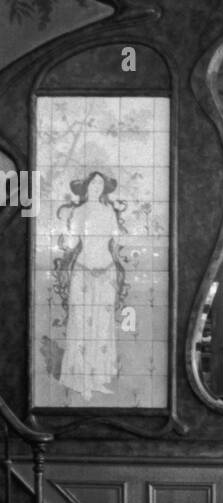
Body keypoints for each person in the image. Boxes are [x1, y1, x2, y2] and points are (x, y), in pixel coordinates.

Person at [55, 171, 126, 401]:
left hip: (106, 271)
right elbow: (72, 242)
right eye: (92, 183)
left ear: (104, 187)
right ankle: (81, 380)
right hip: (84, 270)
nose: (96, 187)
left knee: (102, 327)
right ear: (86, 187)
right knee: (82, 324)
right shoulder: (79, 211)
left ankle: (99, 379)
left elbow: (116, 241)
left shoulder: (109, 211)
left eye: (100, 184)